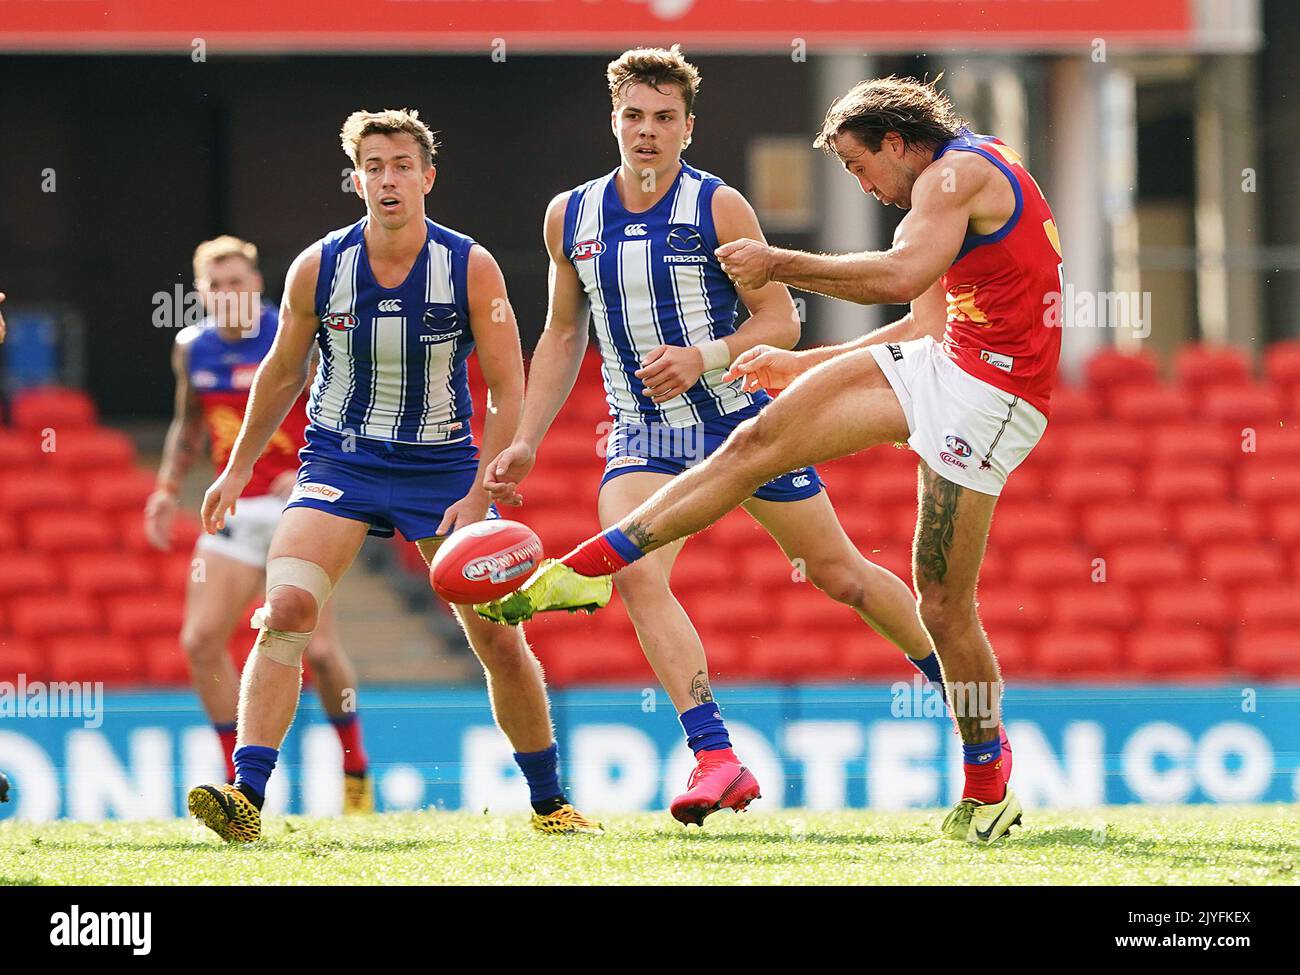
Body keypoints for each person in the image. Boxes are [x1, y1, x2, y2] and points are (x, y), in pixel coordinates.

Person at [480, 75, 1061, 844]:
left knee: (941, 602)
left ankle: (988, 782)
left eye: (859, 168)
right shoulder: (950, 184)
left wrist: (776, 262)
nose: (865, 186)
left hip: (995, 395)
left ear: (894, 142)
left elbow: (897, 278)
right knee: (756, 443)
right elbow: (922, 327)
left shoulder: (955, 175)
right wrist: (803, 364)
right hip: (941, 363)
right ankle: (589, 568)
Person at [187, 109, 600, 841]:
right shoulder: (318, 266)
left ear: (427, 176)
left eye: (402, 164)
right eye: (373, 165)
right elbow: (282, 371)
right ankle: (245, 797)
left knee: (500, 638)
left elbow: (507, 385)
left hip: (440, 470)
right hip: (339, 460)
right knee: (284, 611)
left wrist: (478, 492)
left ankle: (551, 803)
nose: (388, 178)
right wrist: (239, 467)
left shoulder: (469, 266)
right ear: (356, 180)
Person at [146, 237, 373, 810]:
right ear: (201, 293)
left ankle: (355, 771)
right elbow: (188, 424)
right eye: (216, 285)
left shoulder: (293, 331)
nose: (229, 294)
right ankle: (236, 780)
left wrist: (312, 467)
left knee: (319, 652)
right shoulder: (190, 348)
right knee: (199, 640)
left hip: (305, 502)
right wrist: (167, 489)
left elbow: (344, 401)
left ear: (257, 285)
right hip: (236, 507)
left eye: (238, 282)